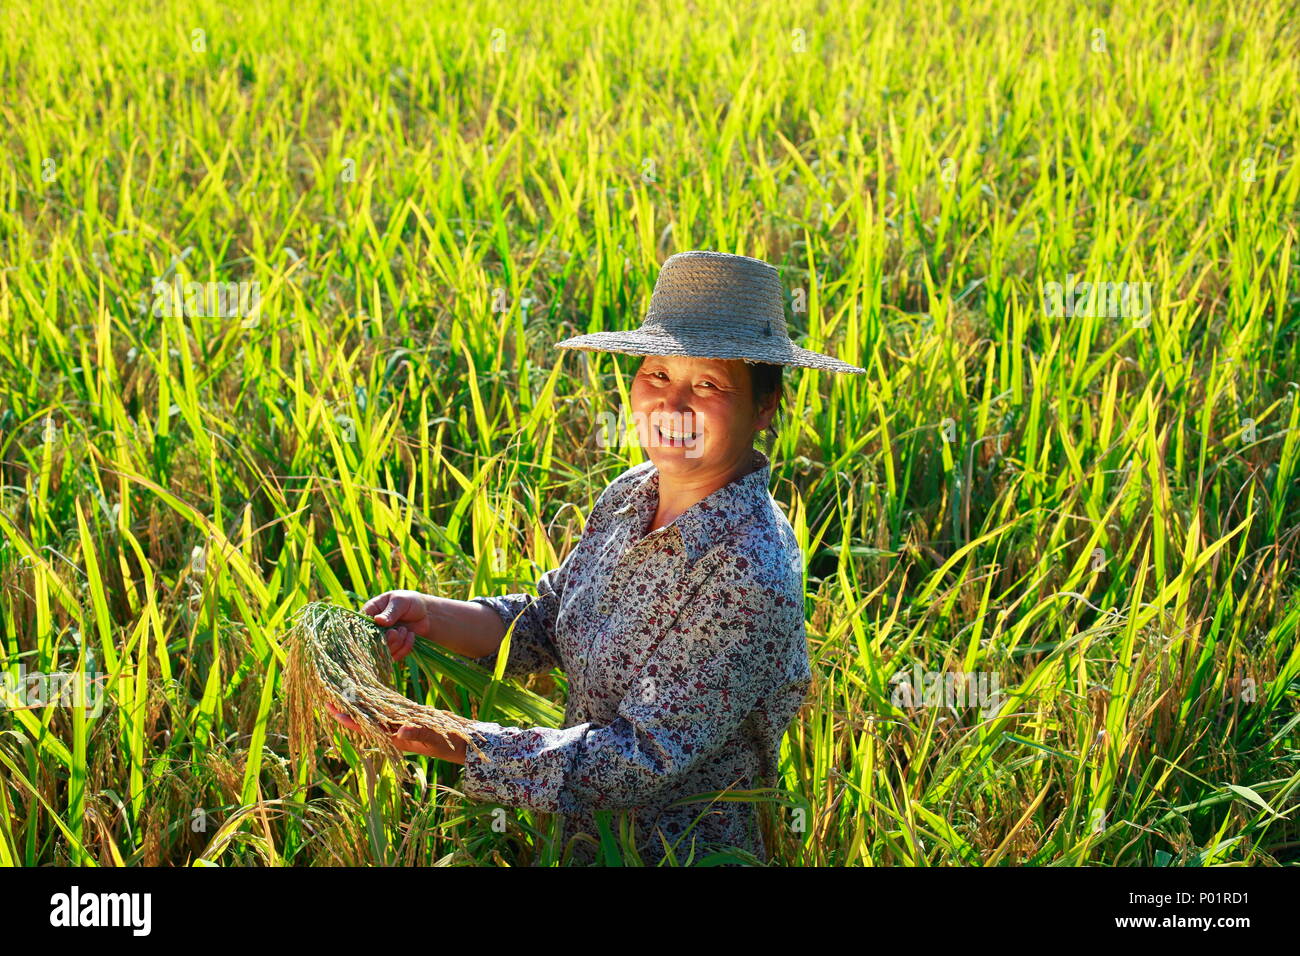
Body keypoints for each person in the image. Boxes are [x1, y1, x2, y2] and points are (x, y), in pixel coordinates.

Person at [331, 250, 865, 864]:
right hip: (582, 841)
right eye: (657, 375)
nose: (672, 405)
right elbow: (549, 621)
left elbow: (640, 758)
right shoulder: (631, 494)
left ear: (765, 407)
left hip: (678, 853)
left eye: (709, 385)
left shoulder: (749, 569)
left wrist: (447, 740)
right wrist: (432, 614)